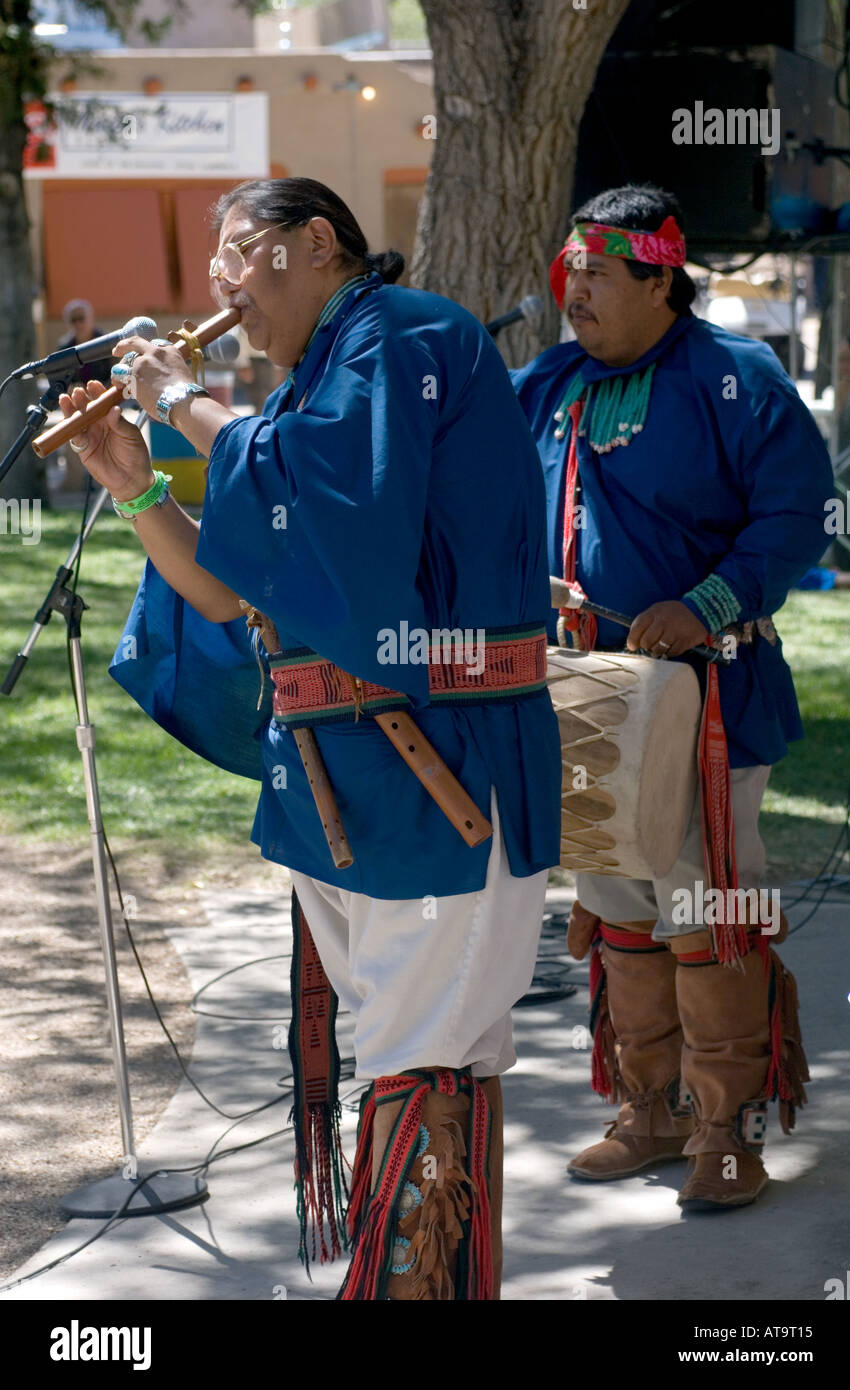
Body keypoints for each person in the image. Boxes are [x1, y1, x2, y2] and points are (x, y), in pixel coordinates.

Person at [57, 176, 561, 1299]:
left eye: (241, 251)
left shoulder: (405, 334)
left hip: (439, 768)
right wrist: (138, 486)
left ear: (319, 242)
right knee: (415, 1056)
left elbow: (339, 514)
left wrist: (188, 400)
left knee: (419, 1059)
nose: (222, 281)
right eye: (213, 261)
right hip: (344, 778)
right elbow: (237, 594)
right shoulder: (308, 390)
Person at [511, 183, 833, 1211]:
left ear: (660, 279)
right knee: (615, 910)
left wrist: (704, 602)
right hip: (589, 696)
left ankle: (720, 1128)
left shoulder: (733, 377)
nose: (576, 295)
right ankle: (645, 1111)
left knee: (707, 909)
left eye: (600, 275)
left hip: (711, 698)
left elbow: (796, 515)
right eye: (573, 273)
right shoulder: (547, 384)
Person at [56, 300, 113, 389]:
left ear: (91, 318)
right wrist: (72, 387)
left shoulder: (107, 342)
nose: (77, 324)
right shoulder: (64, 347)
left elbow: (116, 373)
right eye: (73, 320)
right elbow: (61, 378)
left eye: (81, 318)